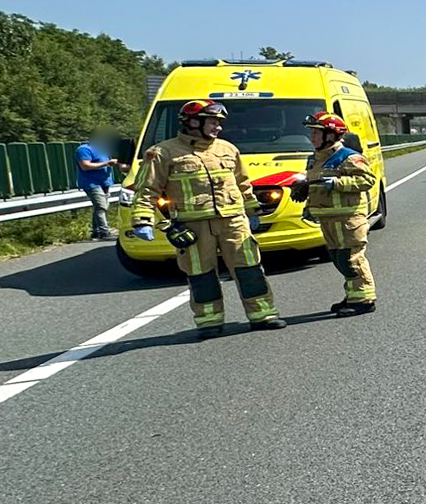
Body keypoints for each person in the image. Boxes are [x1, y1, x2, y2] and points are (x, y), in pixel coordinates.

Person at [128, 100, 286, 339]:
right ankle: (209, 321)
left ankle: (263, 315)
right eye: (212, 122)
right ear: (193, 122)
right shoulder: (162, 153)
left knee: (250, 269)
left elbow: (243, 184)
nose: (218, 127)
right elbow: (147, 190)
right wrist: (142, 220)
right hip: (193, 226)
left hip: (233, 222)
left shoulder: (227, 149)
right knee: (201, 274)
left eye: (219, 123)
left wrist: (253, 211)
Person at [294, 112, 378, 316]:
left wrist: (339, 183)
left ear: (331, 136)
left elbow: (367, 180)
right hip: (328, 218)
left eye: (316, 133)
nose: (312, 137)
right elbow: (316, 185)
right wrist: (304, 190)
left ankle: (365, 299)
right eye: (312, 133)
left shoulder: (348, 157)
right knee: (338, 258)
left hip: (348, 219)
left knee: (351, 258)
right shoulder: (316, 160)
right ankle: (353, 295)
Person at [75, 130, 125, 240]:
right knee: (101, 206)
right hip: (92, 183)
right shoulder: (84, 150)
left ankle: (96, 231)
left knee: (100, 207)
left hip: (104, 182)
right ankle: (104, 231)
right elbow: (85, 166)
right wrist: (106, 163)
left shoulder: (103, 150)